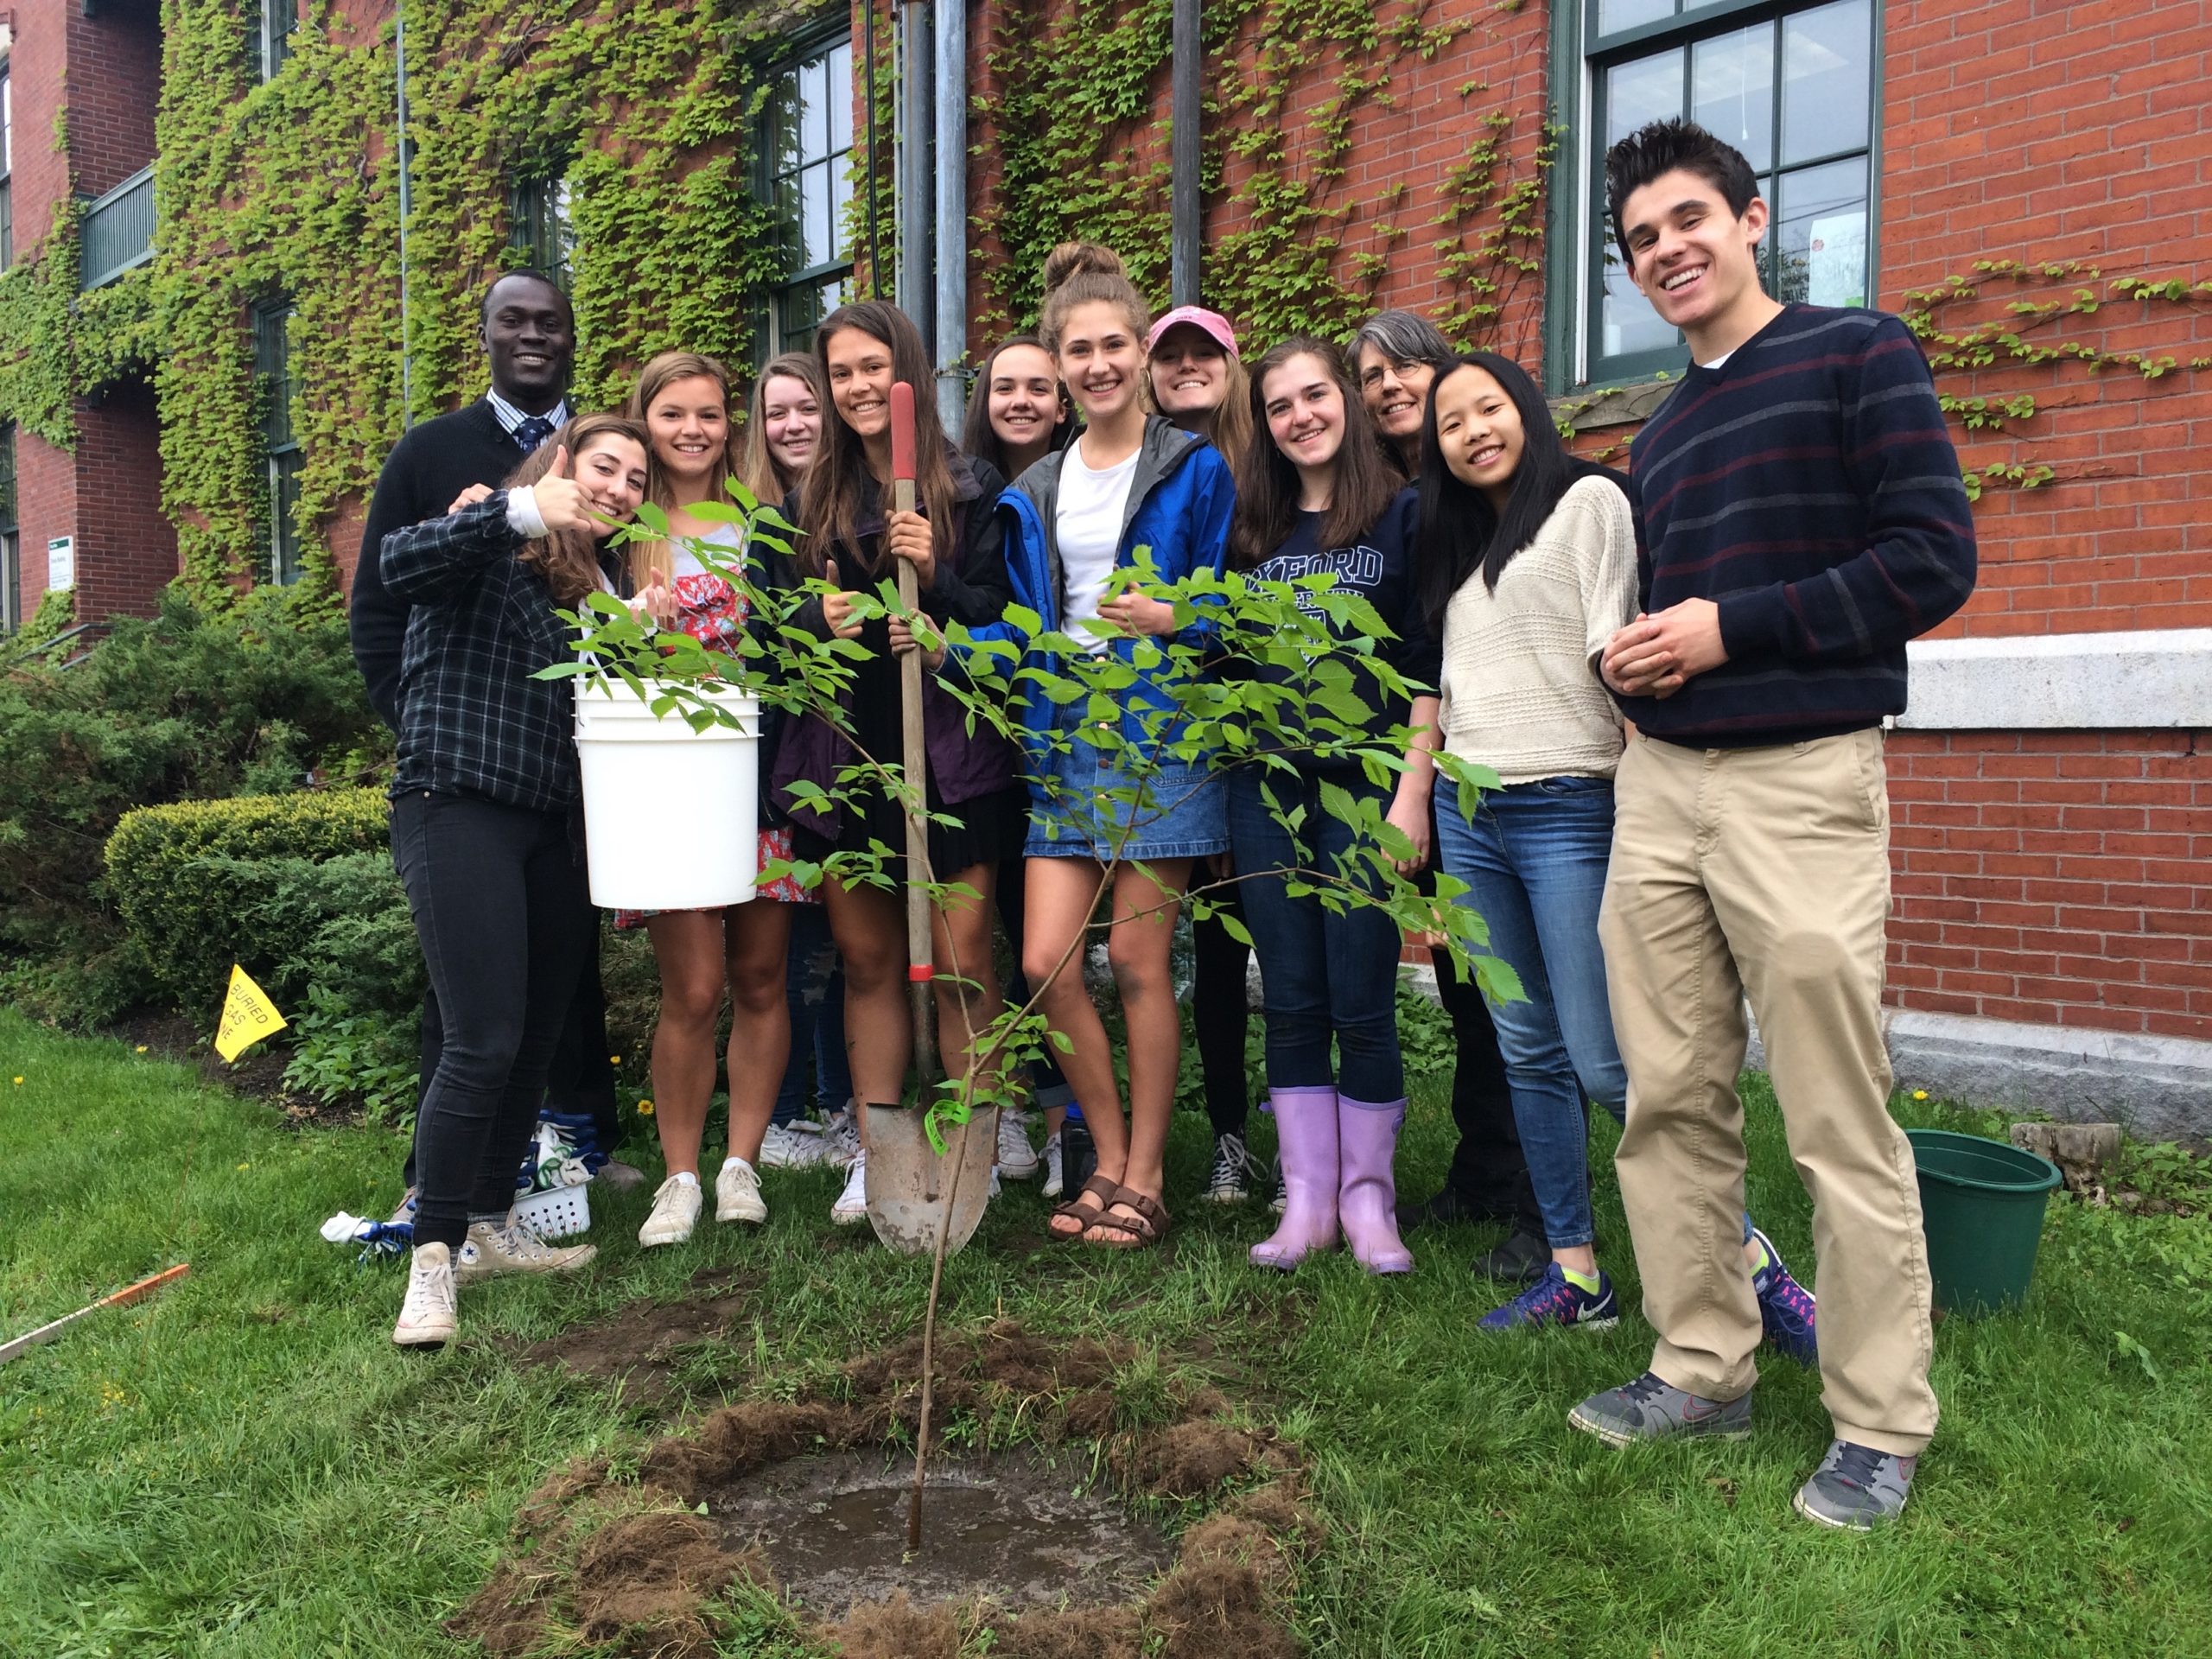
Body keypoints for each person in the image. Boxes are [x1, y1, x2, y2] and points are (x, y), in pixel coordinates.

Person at [1576, 118, 1975, 1531]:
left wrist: (1725, 629)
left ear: (1752, 222)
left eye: (1690, 219)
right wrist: (1639, 660)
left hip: (1802, 783)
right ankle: (1702, 1365)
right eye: (1642, 239)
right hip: (1662, 790)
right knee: (1668, 1096)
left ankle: (1879, 1422)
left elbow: (1932, 560)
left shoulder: (1859, 353)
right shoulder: (1662, 433)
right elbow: (1679, 615)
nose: (1667, 249)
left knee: (1833, 1113)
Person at [352, 271, 640, 1205]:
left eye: (550, 322)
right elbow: (390, 583)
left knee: (544, 1007)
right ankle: (433, 1209)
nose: (533, 335)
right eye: (513, 320)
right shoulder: (443, 458)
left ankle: (521, 1188)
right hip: (462, 784)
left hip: (556, 796)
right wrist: (423, 722)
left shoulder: (601, 517)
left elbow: (584, 661)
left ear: (571, 338)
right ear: (484, 334)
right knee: (472, 1021)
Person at [381, 415, 652, 1346]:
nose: (620, 489)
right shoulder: (487, 529)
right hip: (457, 804)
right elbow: (399, 566)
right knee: (482, 1039)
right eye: (605, 467)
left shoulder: (589, 591)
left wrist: (635, 637)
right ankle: (432, 1257)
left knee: (534, 1037)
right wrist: (519, 509)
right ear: (560, 465)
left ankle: (490, 1225)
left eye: (636, 480)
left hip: (554, 827)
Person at [985, 243, 1235, 1250]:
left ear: (1140, 352)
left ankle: (1145, 1177)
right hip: (1064, 737)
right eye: (1078, 351)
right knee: (1045, 963)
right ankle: (1111, 1152)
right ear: (1058, 367)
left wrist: (1176, 618)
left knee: (1136, 960)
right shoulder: (1038, 486)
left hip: (1157, 734)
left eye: (1113, 346)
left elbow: (1230, 603)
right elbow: (1026, 625)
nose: (1098, 365)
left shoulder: (1192, 467)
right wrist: (948, 642)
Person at [770, 301, 1028, 1227]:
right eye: (840, 373)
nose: (857, 387)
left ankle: (973, 1144)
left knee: (962, 962)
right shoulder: (809, 503)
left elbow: (1006, 618)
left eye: (872, 367)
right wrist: (817, 620)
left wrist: (938, 578)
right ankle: (877, 1149)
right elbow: (775, 630)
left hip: (950, 757)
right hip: (849, 755)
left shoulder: (970, 488)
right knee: (869, 960)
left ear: (907, 372)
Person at [1225, 339, 1437, 1274]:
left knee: (1362, 998)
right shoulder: (1251, 533)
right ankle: (1307, 1198)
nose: (1299, 416)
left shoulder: (1401, 515)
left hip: (1364, 786)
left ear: (1346, 402)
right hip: (1264, 787)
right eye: (1279, 406)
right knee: (1291, 999)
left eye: (1314, 395)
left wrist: (1411, 794)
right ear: (1264, 425)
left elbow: (1428, 666)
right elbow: (1223, 662)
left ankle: (1368, 1201)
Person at [1349, 308, 1540, 1280]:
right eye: (1371, 375)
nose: (1389, 386)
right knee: (1466, 981)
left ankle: (1539, 1196)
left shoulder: (1487, 492)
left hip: (1497, 764)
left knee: (1515, 989)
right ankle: (1486, 1168)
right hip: (1421, 768)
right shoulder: (1390, 501)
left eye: (1406, 367)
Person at [617, 353, 809, 1248]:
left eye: (708, 414)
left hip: (759, 770)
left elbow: (797, 641)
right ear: (645, 422)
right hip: (668, 777)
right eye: (672, 415)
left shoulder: (765, 521)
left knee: (762, 977)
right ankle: (679, 1176)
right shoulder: (624, 528)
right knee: (693, 988)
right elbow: (579, 641)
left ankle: (741, 1165)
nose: (692, 430)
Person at [1143, 305, 1267, 1209]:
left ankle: (1303, 1141)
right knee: (1211, 957)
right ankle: (1229, 1137)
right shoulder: (1144, 473)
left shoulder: (1266, 469)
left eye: (1205, 353)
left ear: (1232, 365)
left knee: (1281, 953)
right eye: (1170, 355)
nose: (1187, 367)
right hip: (1172, 745)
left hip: (1262, 744)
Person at [961, 334, 1082, 1189]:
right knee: (988, 942)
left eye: (1039, 388)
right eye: (1005, 387)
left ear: (1061, 402)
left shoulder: (1083, 484)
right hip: (973, 741)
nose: (1021, 402)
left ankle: (1065, 1124)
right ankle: (1004, 1110)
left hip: (1057, 742)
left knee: (1052, 949)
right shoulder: (962, 491)